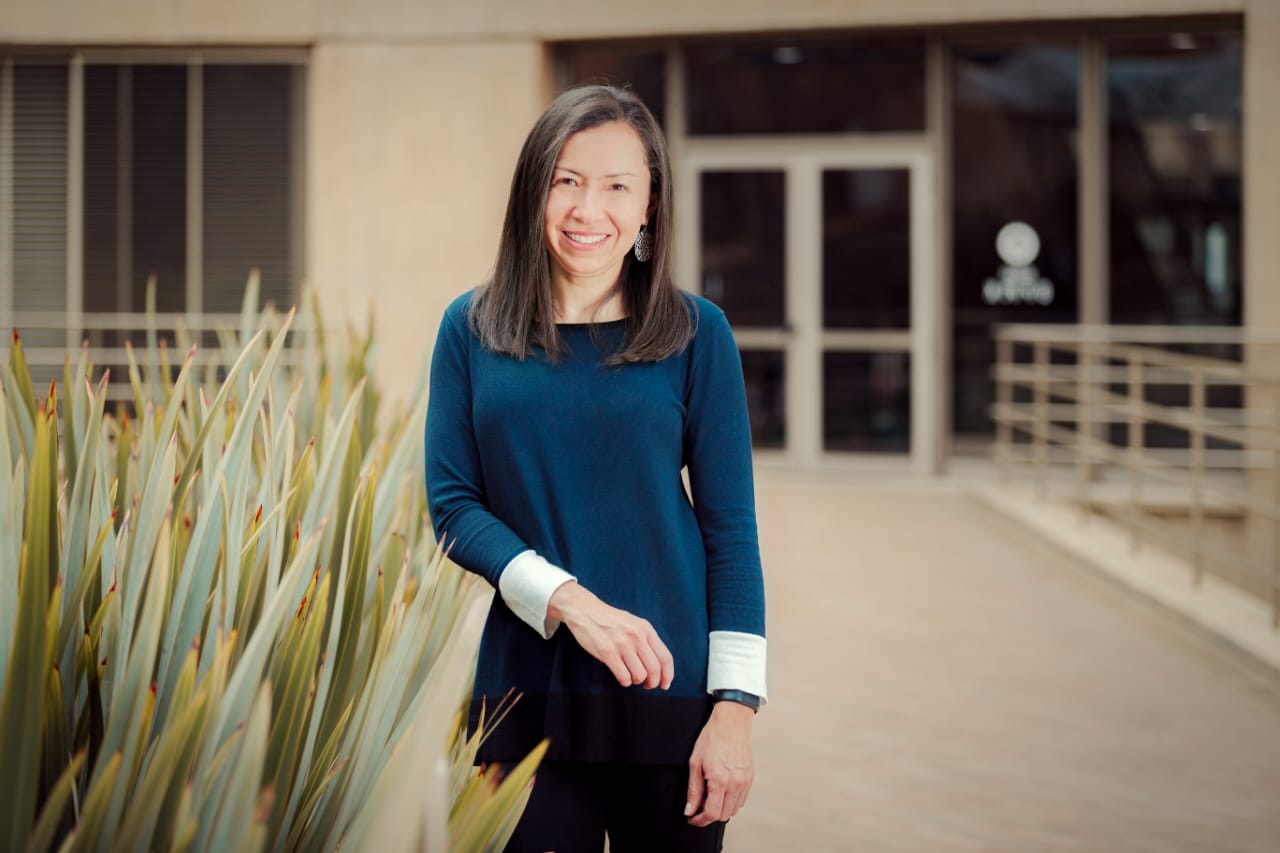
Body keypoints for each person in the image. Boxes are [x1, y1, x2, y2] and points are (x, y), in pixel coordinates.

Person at [424, 84, 767, 853]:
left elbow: (730, 530)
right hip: (525, 693)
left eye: (619, 185)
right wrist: (572, 602)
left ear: (649, 207)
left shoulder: (696, 333)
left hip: (671, 691)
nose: (589, 209)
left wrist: (736, 708)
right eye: (568, 180)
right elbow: (453, 508)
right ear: (534, 190)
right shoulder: (470, 329)